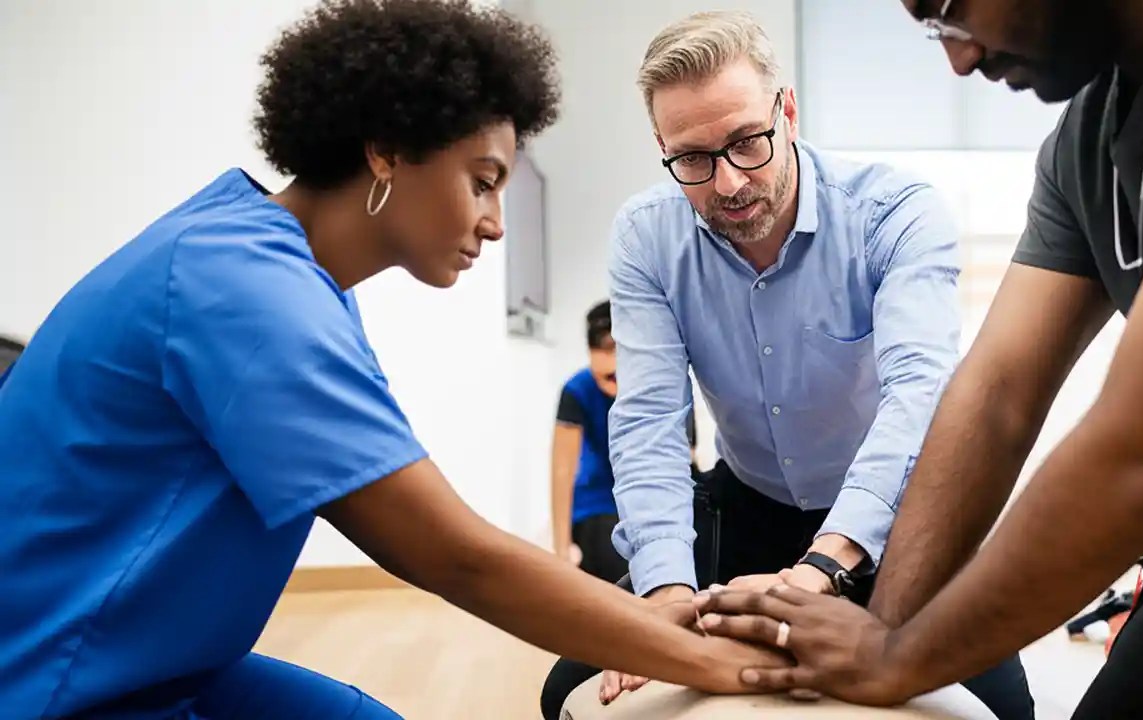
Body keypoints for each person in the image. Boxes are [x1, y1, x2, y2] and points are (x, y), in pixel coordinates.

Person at [0, 2, 788, 718]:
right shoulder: (241, 290)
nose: (495, 224)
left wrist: (649, 614)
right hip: (60, 681)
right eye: (483, 183)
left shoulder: (283, 273)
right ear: (386, 151)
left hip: (174, 665)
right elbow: (452, 554)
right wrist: (723, 663)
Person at [692, 1, 1143, 717]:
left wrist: (895, 657)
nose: (959, 58)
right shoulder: (1086, 143)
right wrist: (876, 633)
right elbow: (996, 397)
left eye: (950, 7)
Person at [539, 10, 1033, 720]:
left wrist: (826, 565)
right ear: (662, 148)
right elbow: (648, 419)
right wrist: (665, 594)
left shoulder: (893, 213)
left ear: (787, 111)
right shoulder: (647, 236)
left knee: (1006, 707)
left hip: (887, 514)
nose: (730, 182)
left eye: (747, 142)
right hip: (746, 502)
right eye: (694, 159)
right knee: (566, 689)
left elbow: (919, 395)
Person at [551, 300, 698, 583]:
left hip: (653, 500)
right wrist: (561, 551)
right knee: (616, 556)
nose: (612, 387)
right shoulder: (578, 389)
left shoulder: (667, 386)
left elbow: (687, 464)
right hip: (598, 507)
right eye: (604, 377)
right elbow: (562, 472)